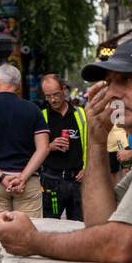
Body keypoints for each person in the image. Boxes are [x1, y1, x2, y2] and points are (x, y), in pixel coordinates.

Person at [0, 38, 132, 263]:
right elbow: (101, 225)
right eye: (109, 82)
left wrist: (32, 241)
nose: (113, 93)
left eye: (127, 79)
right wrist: (97, 141)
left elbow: (119, 246)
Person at [0, 63, 50, 217]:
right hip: (28, 180)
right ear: (18, 86)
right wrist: (23, 177)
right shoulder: (33, 110)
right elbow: (43, 148)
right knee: (28, 234)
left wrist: (2, 178)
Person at [39, 73, 87, 221]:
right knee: (50, 225)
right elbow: (33, 149)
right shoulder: (41, 116)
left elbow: (91, 144)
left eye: (56, 94)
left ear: (64, 90)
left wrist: (87, 168)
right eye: (48, 96)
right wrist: (49, 146)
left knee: (78, 227)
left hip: (77, 181)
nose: (52, 100)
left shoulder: (81, 114)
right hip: (52, 180)